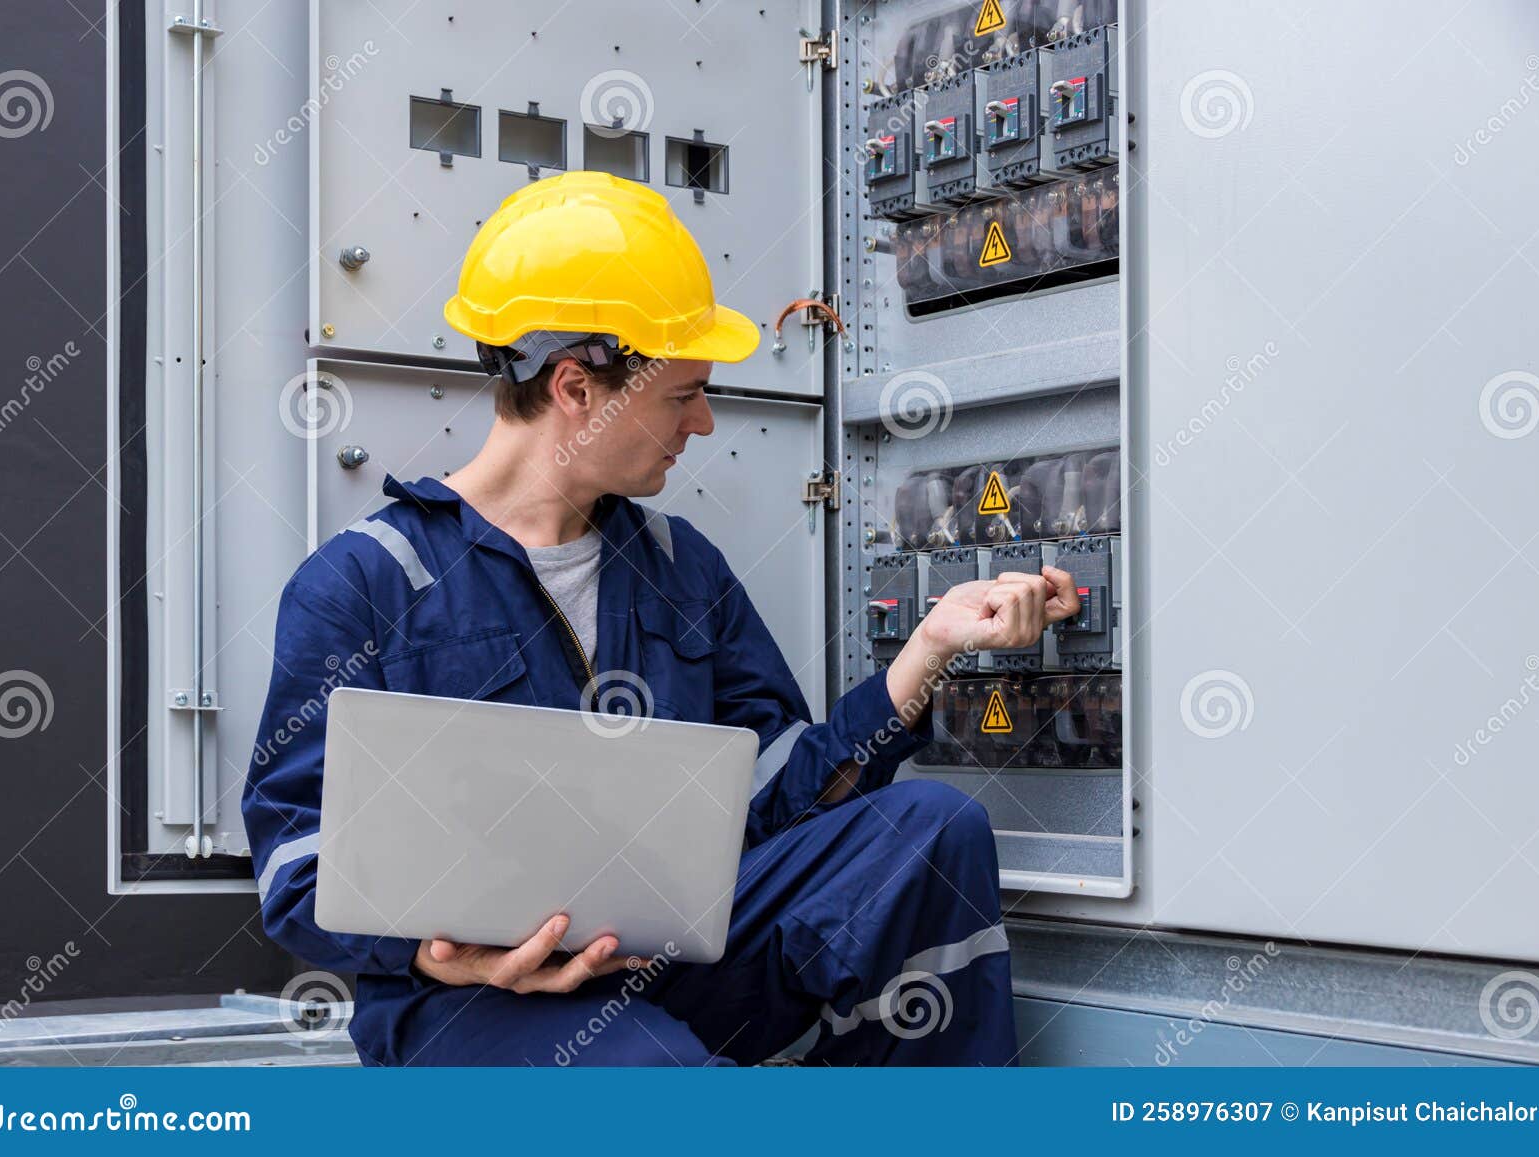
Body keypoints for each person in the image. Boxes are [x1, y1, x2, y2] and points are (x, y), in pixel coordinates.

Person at [241, 172, 1080, 1066]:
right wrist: (438, 950)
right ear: (574, 386)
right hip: (476, 1004)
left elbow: (776, 794)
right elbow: (297, 862)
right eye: (681, 394)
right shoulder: (367, 581)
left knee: (930, 833)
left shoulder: (680, 568)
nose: (707, 422)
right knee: (660, 1077)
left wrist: (930, 648)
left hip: (669, 958)